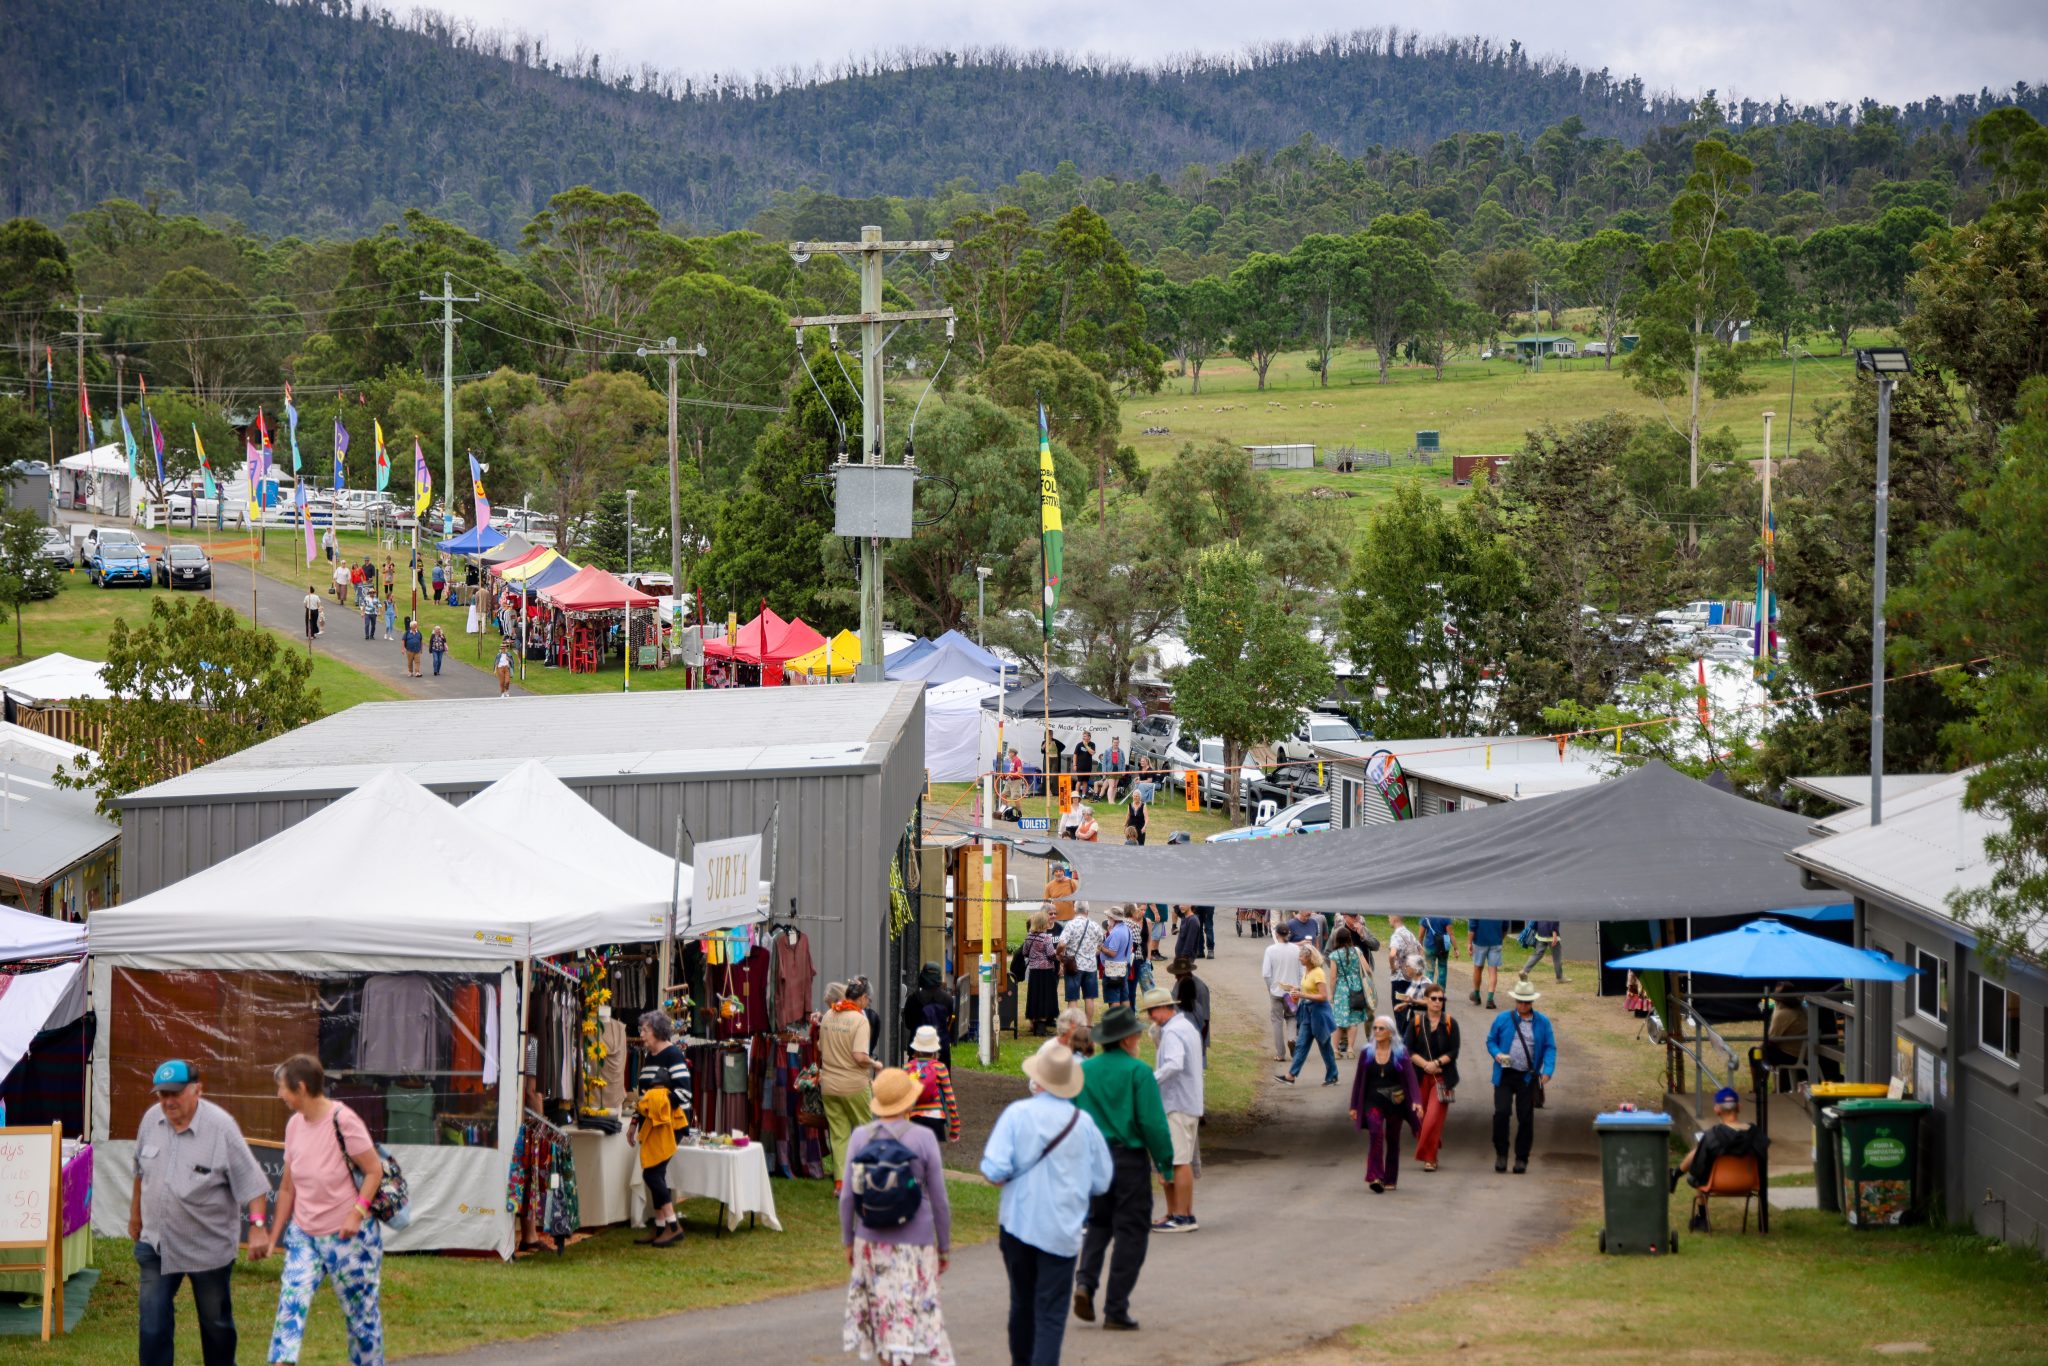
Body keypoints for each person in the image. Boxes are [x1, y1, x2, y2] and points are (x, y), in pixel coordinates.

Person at [981, 1041, 1113, 1366]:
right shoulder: (1084, 1124)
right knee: (1051, 1313)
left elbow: (994, 1169)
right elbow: (1102, 1181)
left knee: (1022, 1303)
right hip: (1063, 1229)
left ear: (1038, 1080)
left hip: (1019, 1224)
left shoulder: (1017, 1114)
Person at [131, 1060, 271, 1366]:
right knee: (152, 1324)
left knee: (216, 1326)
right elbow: (141, 1171)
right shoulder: (151, 1120)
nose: (168, 1102)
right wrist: (135, 1217)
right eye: (162, 1094)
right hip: (158, 1244)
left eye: (175, 1094)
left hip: (207, 1250)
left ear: (197, 1090)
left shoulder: (221, 1127)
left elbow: (254, 1183)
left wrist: (259, 1226)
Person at [264, 1054, 385, 1366]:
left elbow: (374, 1171)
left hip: (349, 1238)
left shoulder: (343, 1120)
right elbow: (288, 1187)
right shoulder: (293, 1126)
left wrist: (356, 1213)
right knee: (291, 1303)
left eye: (282, 1088)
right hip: (304, 1234)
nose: (279, 1095)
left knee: (361, 1320)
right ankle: (282, 1362)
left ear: (301, 1088)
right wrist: (274, 1235)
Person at [841, 1068, 955, 1365]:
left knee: (881, 1315)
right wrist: (943, 1246)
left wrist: (848, 1240)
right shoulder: (923, 1138)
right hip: (915, 1243)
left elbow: (848, 1196)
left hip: (871, 1240)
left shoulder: (859, 1137)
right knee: (908, 1314)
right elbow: (939, 1200)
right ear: (909, 1103)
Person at [1071, 1005, 1173, 1332]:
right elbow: (1153, 1124)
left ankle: (1085, 1282)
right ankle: (1116, 1307)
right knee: (1131, 1231)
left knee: (1099, 1222)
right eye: (1138, 1033)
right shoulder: (1138, 1072)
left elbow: (1071, 1118)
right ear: (1128, 1038)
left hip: (1092, 1157)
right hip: (1127, 1159)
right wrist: (1165, 1165)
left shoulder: (1084, 1072)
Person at [629, 1010, 692, 1247]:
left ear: (656, 1031)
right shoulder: (650, 1058)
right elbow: (645, 1097)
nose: (641, 1035)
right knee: (654, 1173)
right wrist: (635, 1122)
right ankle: (660, 1228)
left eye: (644, 1030)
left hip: (671, 1124)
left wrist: (660, 1111)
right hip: (655, 1124)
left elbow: (684, 1091)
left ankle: (674, 1227)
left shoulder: (673, 1055)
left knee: (652, 1173)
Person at [1145, 985, 1204, 1234]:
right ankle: (1181, 1212)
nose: (1150, 1017)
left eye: (1151, 1011)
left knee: (1179, 1161)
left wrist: (1150, 1080)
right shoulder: (1183, 1026)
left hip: (1177, 1103)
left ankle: (1181, 1216)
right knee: (1182, 1160)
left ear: (1163, 1009)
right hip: (1188, 1102)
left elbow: (1174, 1063)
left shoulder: (1173, 1032)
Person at [1486, 974, 1557, 1174]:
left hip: (1527, 1076)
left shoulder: (1543, 1022)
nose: (1523, 1005)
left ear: (1532, 1001)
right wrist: (1497, 1054)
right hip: (1505, 1074)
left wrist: (1548, 1071)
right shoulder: (1502, 1019)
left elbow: (1550, 1047)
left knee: (1525, 1117)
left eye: (1526, 1001)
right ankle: (1501, 1153)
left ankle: (1521, 1158)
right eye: (1519, 1001)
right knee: (1501, 1113)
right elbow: (1490, 1040)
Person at [1671, 1087, 1768, 1232]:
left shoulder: (1712, 1136)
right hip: (1749, 1183)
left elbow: (1698, 1167)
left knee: (1700, 1172)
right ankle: (1674, 1175)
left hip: (1716, 1184)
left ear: (1717, 1110)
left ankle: (1702, 1218)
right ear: (1739, 1107)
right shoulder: (1756, 1134)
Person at [1349, 1017, 1424, 1193]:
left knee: (1393, 1139)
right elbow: (1359, 1080)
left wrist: (1417, 1102)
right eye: (1375, 1028)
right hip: (1372, 1100)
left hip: (1395, 1101)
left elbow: (1411, 1079)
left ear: (1390, 1032)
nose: (1376, 1031)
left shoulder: (1401, 1052)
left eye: (1381, 1028)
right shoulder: (1367, 1052)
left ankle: (1390, 1178)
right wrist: (1354, 1106)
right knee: (1375, 1133)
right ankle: (1376, 1176)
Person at [821, 979, 883, 1189]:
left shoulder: (829, 1014)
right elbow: (859, 1056)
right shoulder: (859, 1020)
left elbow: (821, 1046)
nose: (868, 1003)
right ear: (863, 997)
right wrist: (875, 1063)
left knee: (839, 1135)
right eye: (868, 999)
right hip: (854, 1085)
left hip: (829, 1085)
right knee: (865, 1131)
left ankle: (840, 1183)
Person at [1403, 983, 1462, 1172]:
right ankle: (1433, 1143)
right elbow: (1408, 1050)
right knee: (1420, 1121)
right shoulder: (1416, 1023)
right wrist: (1425, 1065)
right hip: (1420, 1077)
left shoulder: (1451, 1023)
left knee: (1432, 1119)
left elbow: (1454, 1051)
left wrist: (1436, 1063)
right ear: (1426, 1000)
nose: (1438, 1002)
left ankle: (1429, 1158)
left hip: (1442, 1079)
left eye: (1441, 999)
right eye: (1434, 998)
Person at [1278, 943, 1339, 1087]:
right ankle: (1291, 1076)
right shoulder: (1307, 970)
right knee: (1301, 1044)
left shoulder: (1318, 972)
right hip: (1307, 1012)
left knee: (1324, 1046)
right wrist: (1296, 989)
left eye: (1301, 956)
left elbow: (1323, 996)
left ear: (1309, 957)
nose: (1299, 958)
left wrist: (1301, 994)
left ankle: (1333, 1075)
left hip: (1319, 1013)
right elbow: (1310, 989)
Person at [903, 1028, 961, 1145]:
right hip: (935, 1118)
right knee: (931, 1155)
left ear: (916, 1048)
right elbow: (949, 1097)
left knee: (916, 1153)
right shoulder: (940, 1068)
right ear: (935, 1048)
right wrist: (955, 1124)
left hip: (914, 1118)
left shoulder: (907, 1067)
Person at [1327, 926, 1375, 1059]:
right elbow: (1368, 969)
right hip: (1356, 988)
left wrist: (1331, 993)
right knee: (1353, 1021)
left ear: (1336, 940)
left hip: (1341, 990)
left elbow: (1333, 977)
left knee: (1339, 1021)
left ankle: (1335, 1050)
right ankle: (1350, 1050)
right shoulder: (1357, 951)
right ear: (1349, 938)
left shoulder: (1334, 955)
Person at [900, 963, 957, 1069]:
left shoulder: (913, 999)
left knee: (916, 1081)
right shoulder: (948, 999)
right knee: (941, 1081)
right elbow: (951, 1023)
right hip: (940, 1049)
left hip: (917, 1049)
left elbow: (908, 1023)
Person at [1261, 923, 1305, 1061]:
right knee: (1292, 1016)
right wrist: (1299, 988)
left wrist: (1271, 989)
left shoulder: (1270, 950)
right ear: (1288, 934)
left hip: (1277, 991)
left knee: (1277, 1021)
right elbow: (1301, 971)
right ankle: (1292, 1038)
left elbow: (1266, 973)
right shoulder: (1296, 949)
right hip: (1292, 992)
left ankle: (1280, 1053)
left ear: (1277, 934)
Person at [1057, 908, 1105, 1023]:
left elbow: (1062, 943)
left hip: (1074, 966)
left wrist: (1058, 952)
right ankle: (1088, 1024)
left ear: (1075, 910)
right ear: (1087, 911)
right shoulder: (1095, 925)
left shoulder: (1071, 925)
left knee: (1073, 998)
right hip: (1091, 966)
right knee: (1089, 998)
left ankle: (1073, 1025)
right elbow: (1101, 944)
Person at [1023, 912, 1061, 1036]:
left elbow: (1025, 952)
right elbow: (1051, 954)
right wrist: (1058, 953)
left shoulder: (1029, 936)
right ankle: (1041, 1028)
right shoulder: (1046, 938)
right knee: (1045, 998)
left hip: (1034, 971)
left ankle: (1034, 1025)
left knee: (1035, 997)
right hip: (1045, 972)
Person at [1098, 906, 1135, 1008]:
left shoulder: (1116, 932)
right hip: (1124, 966)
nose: (1108, 919)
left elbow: (1113, 953)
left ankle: (1116, 1022)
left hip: (1113, 968)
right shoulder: (1127, 929)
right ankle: (1126, 1021)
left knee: (1113, 997)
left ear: (1113, 918)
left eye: (1108, 917)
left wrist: (1101, 948)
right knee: (1124, 997)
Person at [1468, 917, 1507, 1009]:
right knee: (1493, 970)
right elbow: (1505, 927)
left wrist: (1469, 943)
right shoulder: (1502, 908)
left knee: (1478, 968)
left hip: (1479, 942)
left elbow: (1472, 927)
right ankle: (1490, 999)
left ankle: (1476, 995)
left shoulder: (1477, 907)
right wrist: (1500, 938)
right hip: (1496, 942)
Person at [1419, 916, 1458, 989]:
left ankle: (1428, 992)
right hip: (1443, 947)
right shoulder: (1445, 916)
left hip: (1430, 947)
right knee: (1442, 969)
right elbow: (1451, 934)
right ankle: (1440, 992)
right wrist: (1456, 949)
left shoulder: (1426, 917)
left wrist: (1420, 947)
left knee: (1429, 970)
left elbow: (1421, 935)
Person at [1387, 915, 1422, 982]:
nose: (1388, 920)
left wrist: (1393, 968)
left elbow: (1392, 955)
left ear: (1394, 919)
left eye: (1389, 918)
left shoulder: (1396, 936)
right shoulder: (1410, 934)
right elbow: (1421, 949)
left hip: (1399, 977)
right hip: (1411, 976)